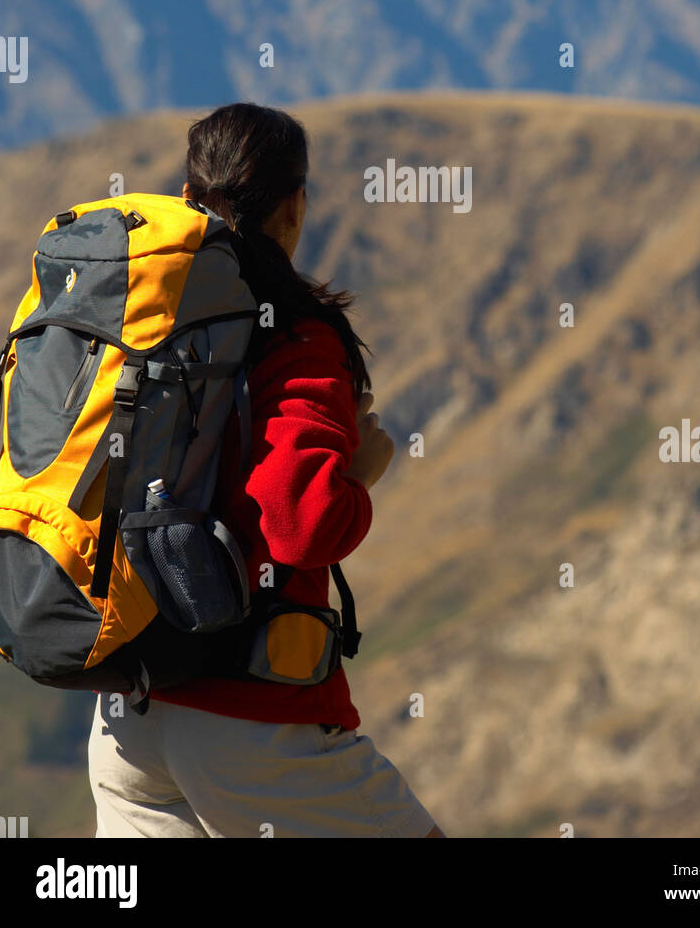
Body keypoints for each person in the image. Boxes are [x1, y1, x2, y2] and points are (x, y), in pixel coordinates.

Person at [88, 102, 446, 839]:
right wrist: (360, 478)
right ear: (295, 205)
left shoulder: (145, 315)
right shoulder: (298, 338)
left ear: (189, 198)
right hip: (253, 722)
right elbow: (301, 524)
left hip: (127, 716)